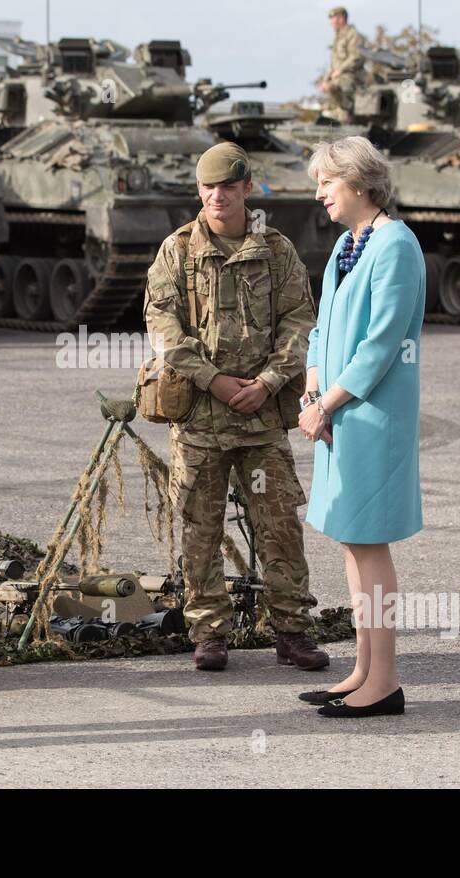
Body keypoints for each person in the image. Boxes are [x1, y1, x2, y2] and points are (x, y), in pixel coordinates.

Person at [144, 142, 328, 673]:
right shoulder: (177, 251)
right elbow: (162, 326)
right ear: (198, 191)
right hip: (200, 419)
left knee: (279, 526)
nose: (217, 196)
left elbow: (300, 319)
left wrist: (270, 382)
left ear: (248, 188)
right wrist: (215, 381)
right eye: (208, 187)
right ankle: (209, 633)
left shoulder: (276, 250)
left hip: (262, 419)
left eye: (228, 186)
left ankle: (291, 631)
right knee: (199, 527)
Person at [296, 136, 424, 719]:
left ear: (359, 182)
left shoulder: (395, 245)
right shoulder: (348, 246)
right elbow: (321, 330)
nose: (320, 192)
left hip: (372, 417)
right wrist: (313, 390)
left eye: (327, 180)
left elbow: (381, 345)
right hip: (339, 412)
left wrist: (328, 404)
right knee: (352, 541)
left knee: (370, 545)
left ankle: (386, 681)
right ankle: (363, 669)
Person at [318, 6, 364, 124]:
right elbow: (334, 64)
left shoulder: (353, 34)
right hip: (339, 76)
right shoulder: (338, 37)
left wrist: (341, 70)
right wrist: (325, 80)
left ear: (341, 18)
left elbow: (356, 57)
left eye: (333, 18)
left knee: (340, 85)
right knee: (329, 87)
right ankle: (341, 115)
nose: (331, 22)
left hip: (351, 76)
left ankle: (348, 115)